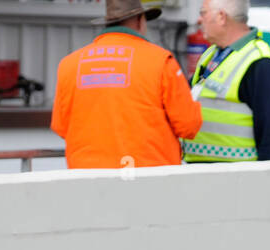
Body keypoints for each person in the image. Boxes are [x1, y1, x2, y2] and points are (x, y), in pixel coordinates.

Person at [51, 0, 201, 169]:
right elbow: (189, 126)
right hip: (148, 180)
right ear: (139, 21)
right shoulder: (160, 61)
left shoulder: (69, 64)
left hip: (87, 180)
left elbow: (60, 127)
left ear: (108, 22)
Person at [182, 0, 270, 162]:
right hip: (201, 176)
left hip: (239, 181)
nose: (199, 20)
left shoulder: (261, 63)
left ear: (222, 17)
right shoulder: (209, 56)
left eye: (203, 13)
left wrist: (265, 183)